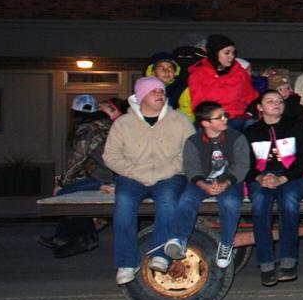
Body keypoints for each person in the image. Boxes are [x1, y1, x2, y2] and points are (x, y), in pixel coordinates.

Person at [102, 76, 193, 284]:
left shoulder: (180, 120)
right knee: (124, 201)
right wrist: (135, 172)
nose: (160, 94)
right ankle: (126, 262)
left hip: (170, 175)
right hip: (133, 175)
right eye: (154, 91)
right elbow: (111, 156)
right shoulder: (123, 123)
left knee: (167, 199)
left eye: (161, 91)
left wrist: (165, 172)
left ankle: (160, 254)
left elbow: (189, 153)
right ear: (142, 96)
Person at [243, 89, 303, 285]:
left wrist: (284, 178)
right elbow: (244, 163)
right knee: (260, 202)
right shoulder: (251, 132)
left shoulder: (296, 126)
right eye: (270, 101)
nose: (276, 104)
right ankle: (266, 264)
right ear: (260, 107)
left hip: (294, 175)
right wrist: (259, 178)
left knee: (288, 200)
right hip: (262, 176)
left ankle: (288, 261)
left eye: (279, 101)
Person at [164, 101, 249, 270]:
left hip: (230, 181)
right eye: (220, 117)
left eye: (225, 115)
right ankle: (179, 239)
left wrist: (226, 183)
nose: (225, 119)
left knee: (230, 203)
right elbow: (191, 168)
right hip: (202, 181)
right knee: (187, 199)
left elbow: (242, 165)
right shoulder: (193, 141)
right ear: (205, 123)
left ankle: (226, 244)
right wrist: (204, 185)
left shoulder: (237, 137)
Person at [42, 94, 123, 258]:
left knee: (64, 194)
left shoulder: (88, 129)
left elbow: (77, 159)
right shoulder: (106, 124)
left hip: (108, 177)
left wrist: (62, 182)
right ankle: (61, 237)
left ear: (75, 113)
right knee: (71, 189)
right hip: (112, 174)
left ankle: (85, 238)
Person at [185, 34, 259, 129]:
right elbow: (198, 104)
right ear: (215, 53)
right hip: (210, 119)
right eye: (227, 53)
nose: (231, 57)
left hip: (236, 119)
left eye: (233, 53)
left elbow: (251, 97)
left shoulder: (240, 73)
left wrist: (248, 114)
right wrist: (216, 119)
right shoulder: (198, 74)